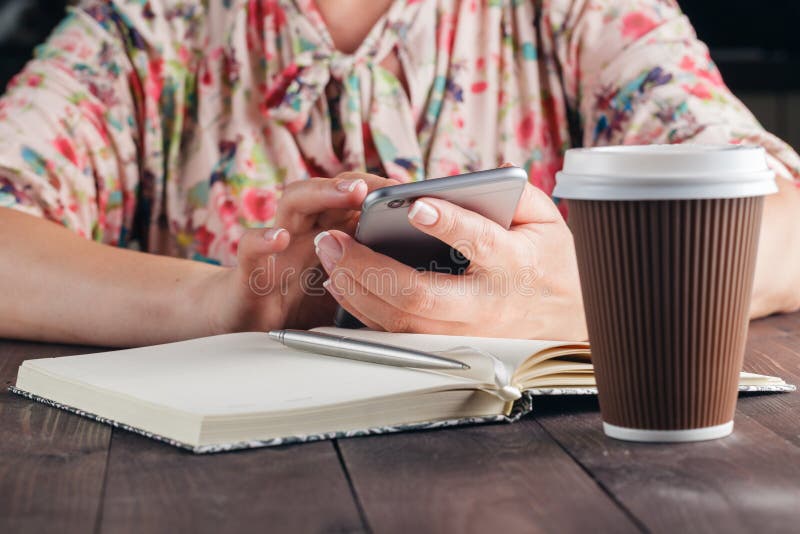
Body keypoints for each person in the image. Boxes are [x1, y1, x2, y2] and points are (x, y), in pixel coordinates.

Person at [0, 0, 798, 347]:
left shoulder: (574, 13)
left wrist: (588, 293)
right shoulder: (143, 28)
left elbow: (785, 217)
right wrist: (214, 301)